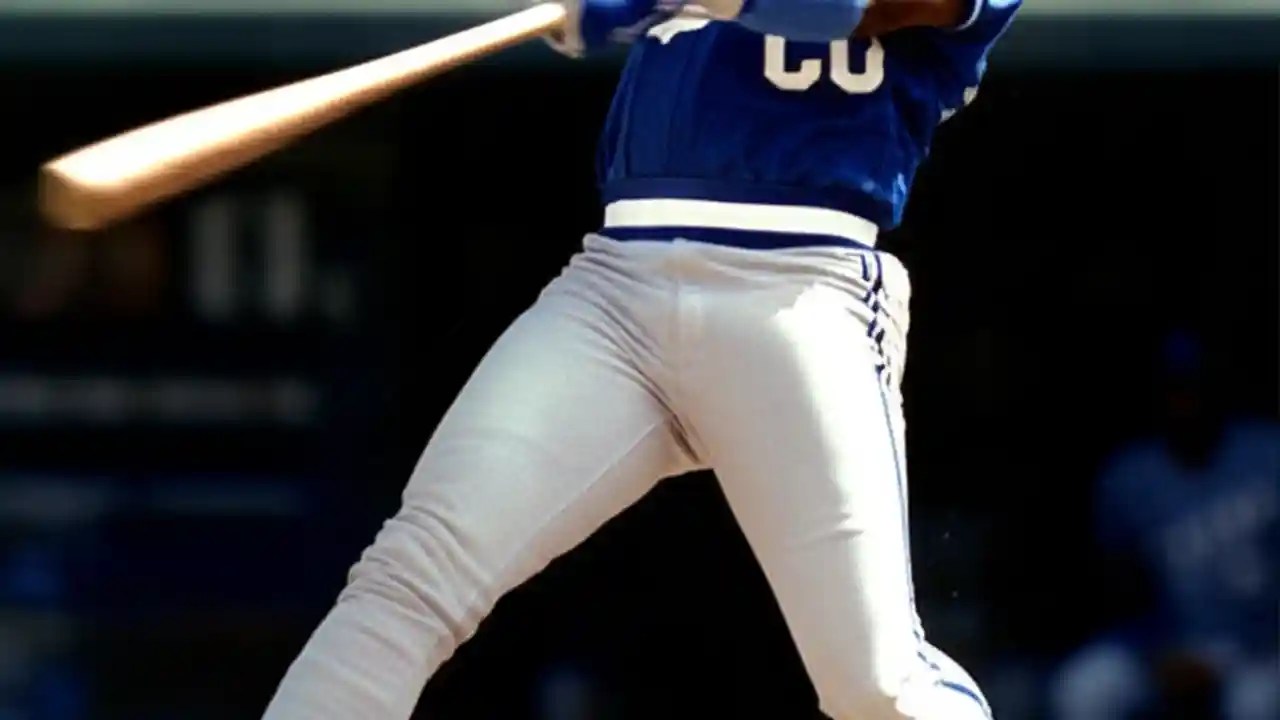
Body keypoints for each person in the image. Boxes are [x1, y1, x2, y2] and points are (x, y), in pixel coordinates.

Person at [262, 0, 1021, 718]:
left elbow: (858, 6)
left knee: (874, 687)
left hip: (798, 290)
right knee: (410, 577)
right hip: (614, 287)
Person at [1050, 331, 1279, 720]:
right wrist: (1161, 655)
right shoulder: (1129, 477)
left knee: (1253, 705)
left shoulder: (1267, 454)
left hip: (1262, 648)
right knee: (1083, 689)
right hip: (1166, 647)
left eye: (1196, 386)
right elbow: (1117, 590)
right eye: (1176, 389)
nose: (1186, 401)